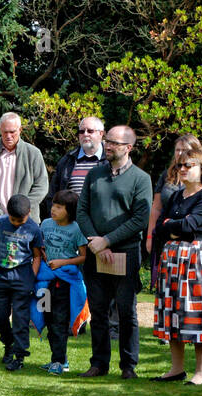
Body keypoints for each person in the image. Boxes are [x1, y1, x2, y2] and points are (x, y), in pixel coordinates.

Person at [75, 125, 151, 378]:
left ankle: (128, 366)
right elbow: (82, 211)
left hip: (125, 253)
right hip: (96, 253)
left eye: (114, 143)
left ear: (128, 147)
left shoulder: (141, 179)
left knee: (126, 311)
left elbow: (140, 219)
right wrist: (96, 242)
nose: (108, 145)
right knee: (97, 311)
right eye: (107, 141)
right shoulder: (94, 175)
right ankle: (98, 363)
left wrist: (107, 240)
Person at [152, 149, 202, 385]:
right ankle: (176, 369)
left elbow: (190, 224)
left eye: (188, 165)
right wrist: (175, 227)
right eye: (180, 165)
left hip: (198, 257)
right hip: (173, 257)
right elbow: (160, 228)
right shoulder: (176, 196)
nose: (182, 169)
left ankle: (201, 372)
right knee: (172, 312)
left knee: (198, 312)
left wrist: (172, 226)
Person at [146, 134, 202, 285]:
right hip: (171, 245)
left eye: (185, 150)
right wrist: (152, 236)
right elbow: (157, 212)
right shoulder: (168, 177)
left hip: (198, 241)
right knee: (172, 293)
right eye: (177, 150)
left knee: (195, 293)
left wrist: (197, 212)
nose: (180, 154)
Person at [0, 194, 45, 371]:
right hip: (0, 276)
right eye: (13, 219)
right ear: (7, 213)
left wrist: (31, 277)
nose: (17, 223)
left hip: (22, 278)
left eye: (21, 220)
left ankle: (19, 355)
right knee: (0, 315)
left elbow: (36, 256)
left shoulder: (34, 229)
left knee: (21, 318)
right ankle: (8, 344)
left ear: (29, 212)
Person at [34, 189, 87, 374]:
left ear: (70, 210)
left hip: (64, 282)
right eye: (53, 205)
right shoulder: (46, 224)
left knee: (60, 320)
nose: (53, 210)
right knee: (48, 318)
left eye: (59, 207)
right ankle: (59, 360)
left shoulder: (76, 229)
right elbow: (40, 246)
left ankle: (58, 361)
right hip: (45, 281)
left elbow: (83, 256)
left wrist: (63, 262)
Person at [0, 112, 49, 228]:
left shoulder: (33, 153)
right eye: (5, 132)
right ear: (0, 129)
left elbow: (41, 186)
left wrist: (20, 210)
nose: (8, 136)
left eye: (12, 132)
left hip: (26, 222)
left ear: (20, 130)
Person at [40, 116, 104, 221]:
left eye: (90, 131)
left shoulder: (110, 161)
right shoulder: (67, 160)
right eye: (82, 131)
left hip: (98, 225)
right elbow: (53, 194)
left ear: (101, 133)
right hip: (69, 225)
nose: (85, 134)